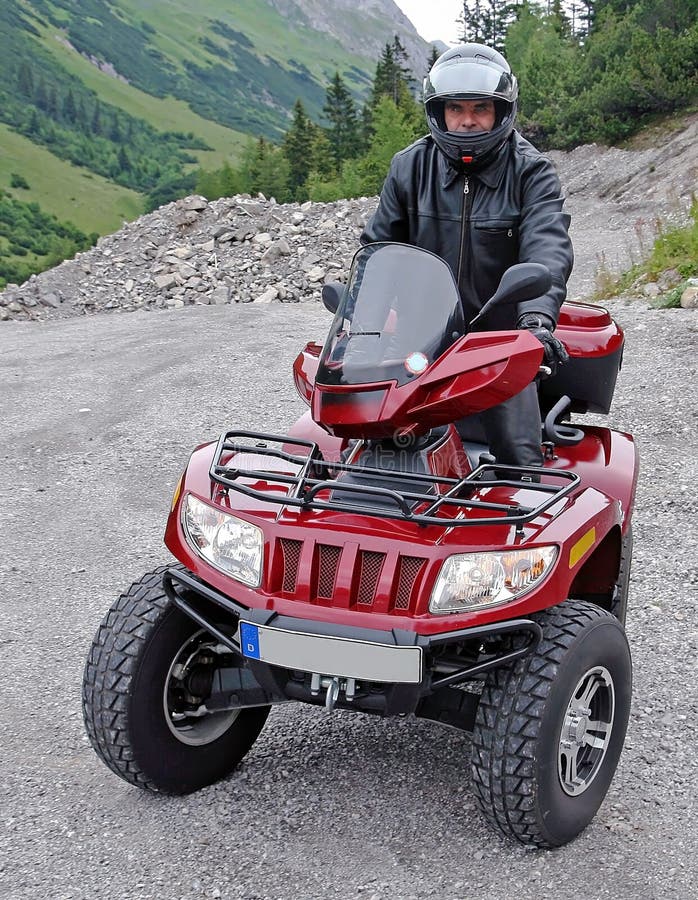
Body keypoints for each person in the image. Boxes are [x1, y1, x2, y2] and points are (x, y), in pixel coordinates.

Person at [360, 42, 573, 471]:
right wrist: (362, 323)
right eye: (456, 108)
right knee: (367, 442)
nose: (468, 120)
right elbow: (377, 250)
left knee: (520, 461)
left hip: (497, 342)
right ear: (439, 113)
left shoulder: (530, 171)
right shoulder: (409, 167)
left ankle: (522, 522)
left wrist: (534, 323)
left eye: (480, 108)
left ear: (501, 111)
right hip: (420, 337)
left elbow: (546, 248)